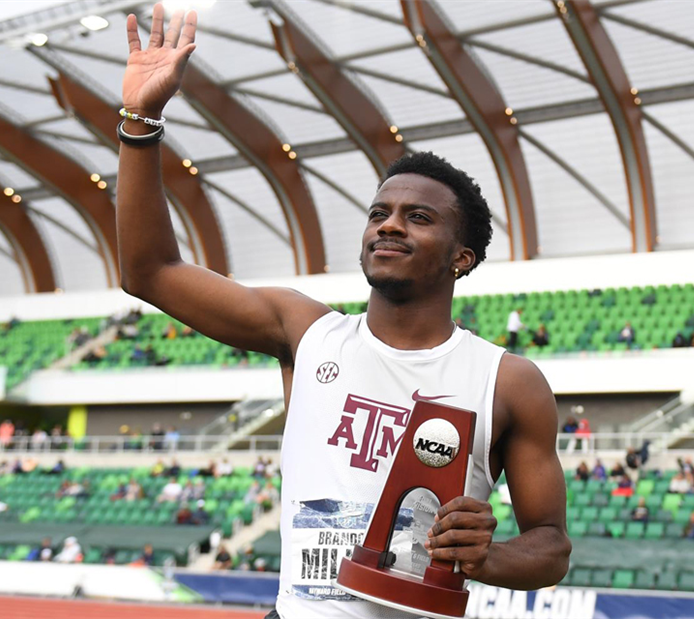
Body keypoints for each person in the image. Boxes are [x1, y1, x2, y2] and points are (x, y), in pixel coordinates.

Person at [118, 12, 571, 617]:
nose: (388, 223)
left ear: (462, 258)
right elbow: (148, 272)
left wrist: (489, 557)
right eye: (379, 211)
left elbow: (552, 546)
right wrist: (140, 122)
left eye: (419, 217)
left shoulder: (507, 381)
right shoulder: (304, 332)